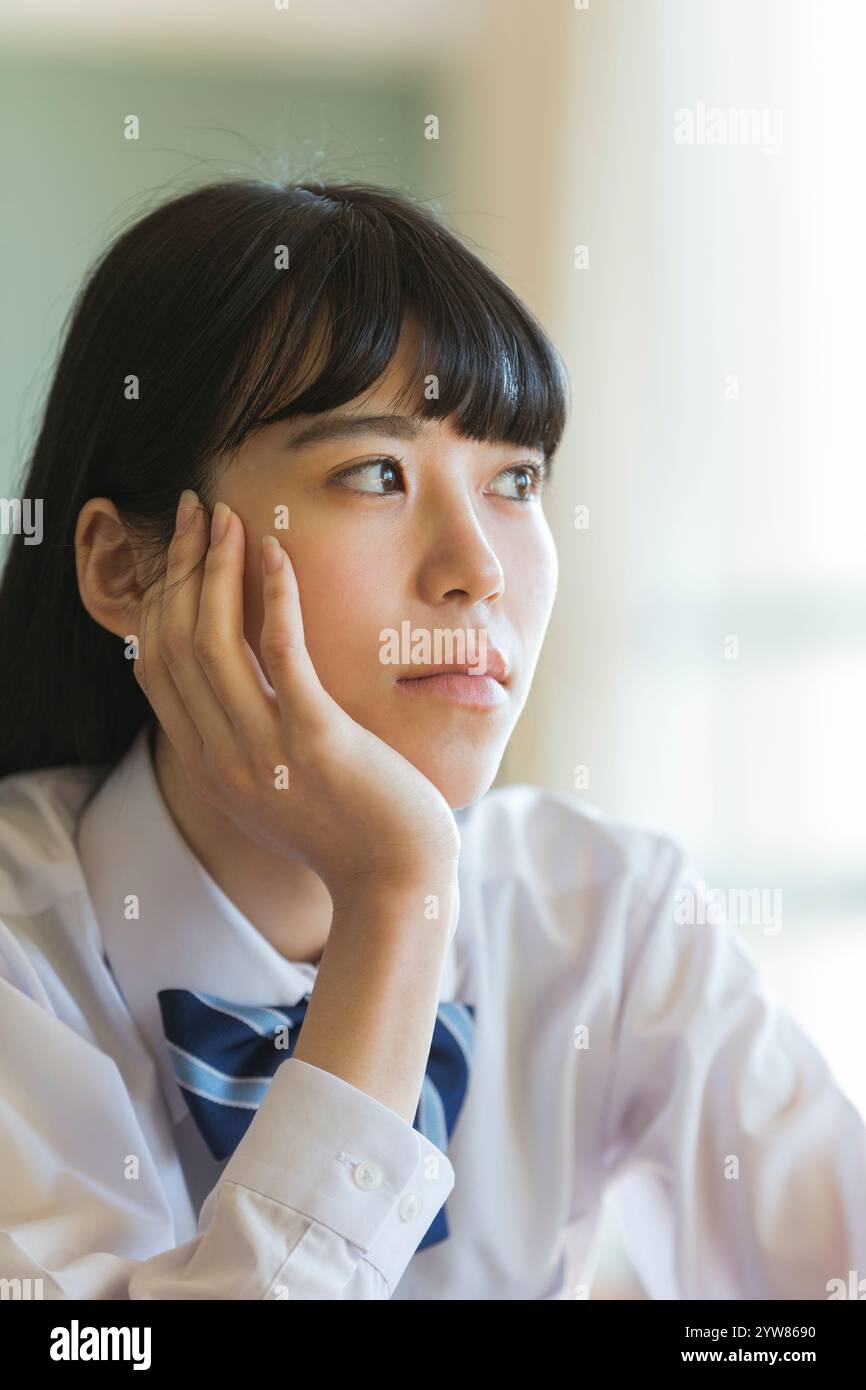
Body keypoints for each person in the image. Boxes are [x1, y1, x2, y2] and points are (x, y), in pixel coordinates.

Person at [0, 179, 863, 1301]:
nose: (480, 567)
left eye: (515, 479)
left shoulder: (603, 910)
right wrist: (395, 896)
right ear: (127, 570)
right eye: (374, 472)